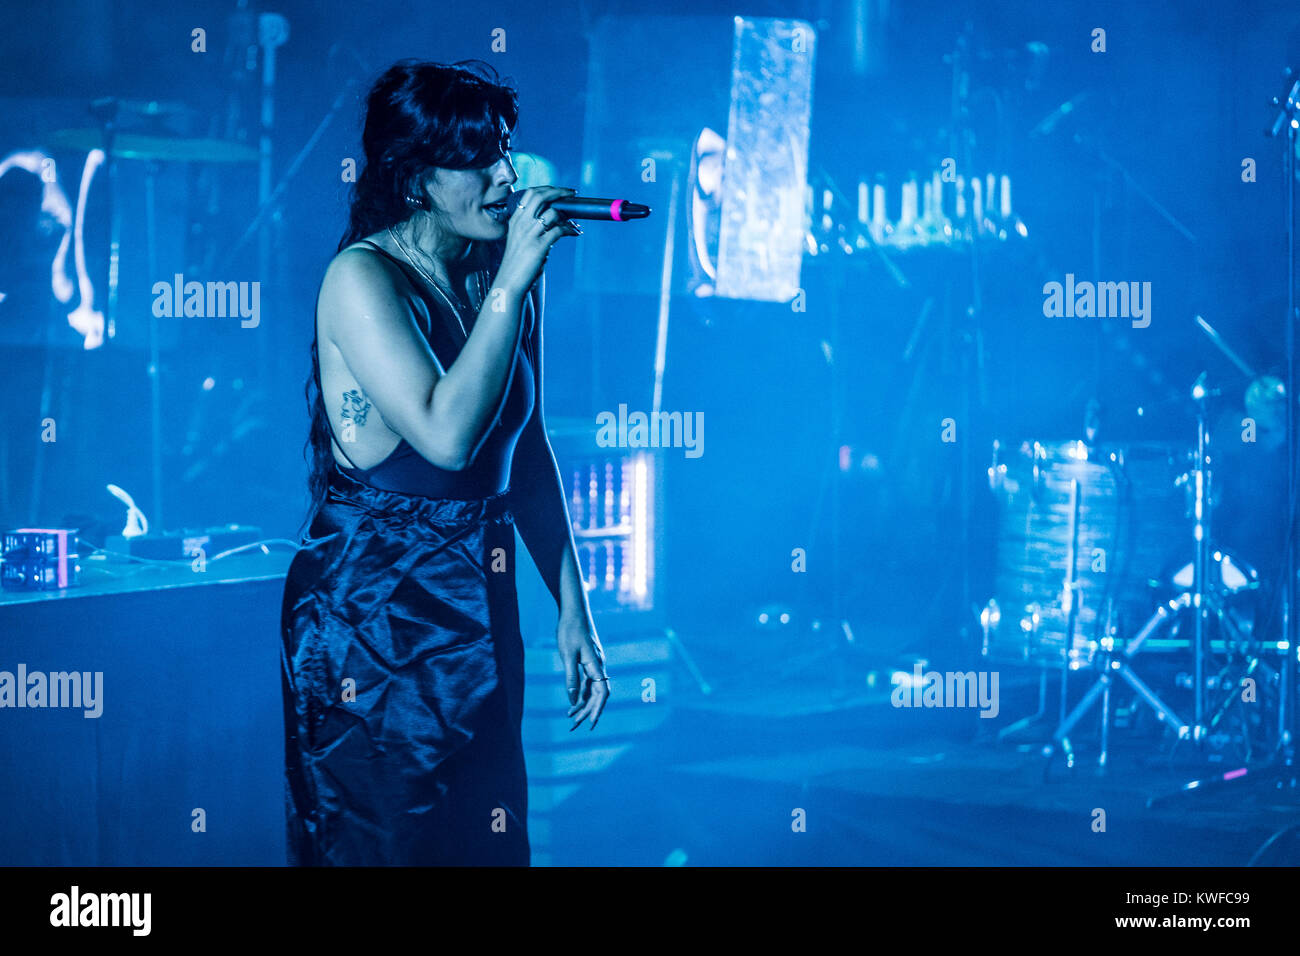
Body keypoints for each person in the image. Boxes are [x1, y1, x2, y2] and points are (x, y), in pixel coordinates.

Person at [280, 60, 610, 866]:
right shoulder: (363, 278)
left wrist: (573, 607)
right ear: (414, 178)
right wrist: (513, 284)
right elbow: (447, 436)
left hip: (478, 599)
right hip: (375, 614)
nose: (505, 179)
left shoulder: (499, 274)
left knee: (485, 838)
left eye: (504, 152)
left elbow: (522, 450)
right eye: (475, 160)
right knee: (391, 842)